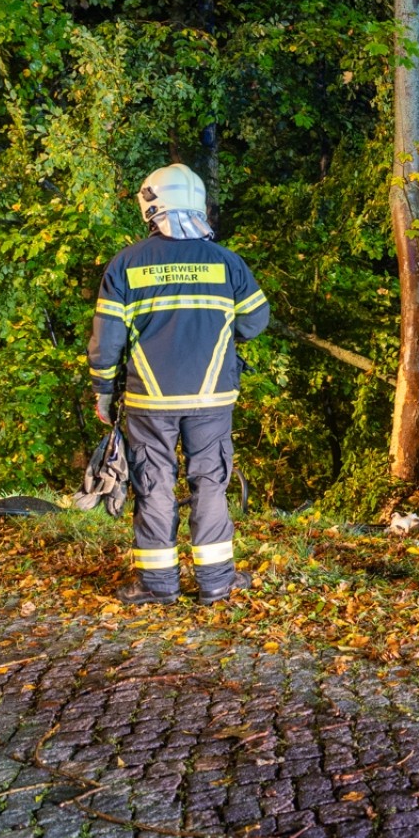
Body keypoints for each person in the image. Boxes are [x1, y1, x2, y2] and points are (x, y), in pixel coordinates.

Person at [87, 163, 269, 605]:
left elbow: (106, 341)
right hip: (212, 397)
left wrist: (103, 391)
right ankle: (216, 582)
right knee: (210, 483)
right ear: (198, 204)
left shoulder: (126, 263)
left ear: (150, 207)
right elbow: (255, 321)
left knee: (153, 483)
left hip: (150, 399)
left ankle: (157, 584)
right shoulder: (227, 262)